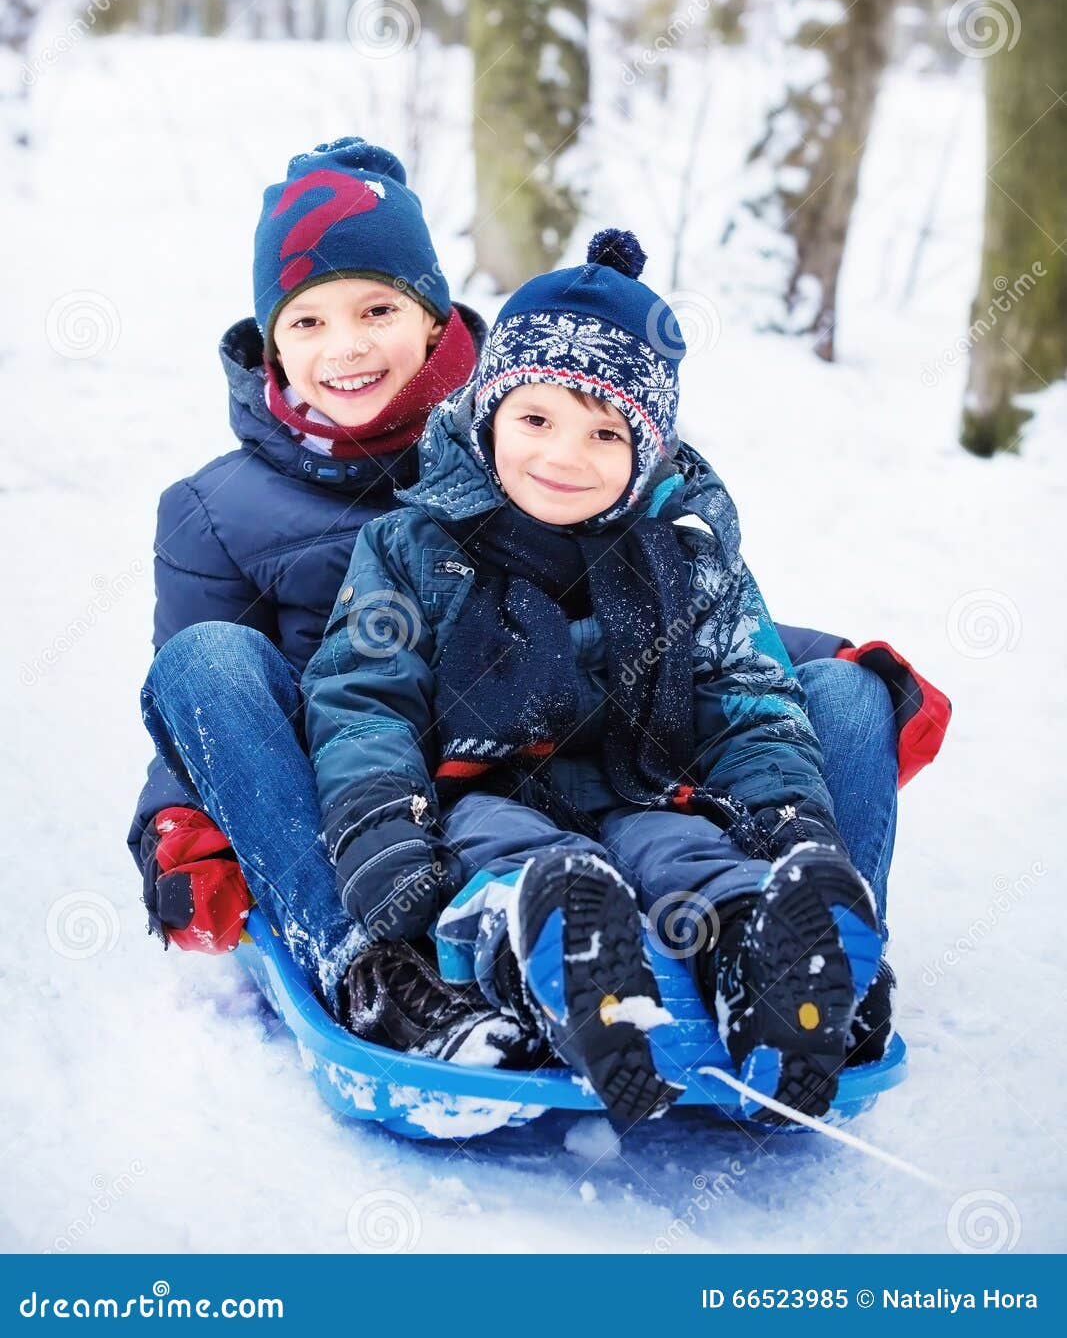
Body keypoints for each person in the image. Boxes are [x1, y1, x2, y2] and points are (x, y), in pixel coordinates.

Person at [302, 229, 951, 1130]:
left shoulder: (685, 555)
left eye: (606, 432)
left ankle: (765, 972)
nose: (565, 456)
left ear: (647, 450)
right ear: (488, 414)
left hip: (646, 789)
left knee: (692, 859)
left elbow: (747, 701)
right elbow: (361, 700)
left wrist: (789, 822)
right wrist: (382, 831)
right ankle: (563, 955)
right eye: (535, 420)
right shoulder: (412, 545)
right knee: (512, 856)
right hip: (480, 791)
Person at [130, 136, 543, 1061]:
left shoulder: (532, 447)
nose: (345, 347)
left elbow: (657, 610)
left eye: (377, 308)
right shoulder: (213, 511)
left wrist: (810, 657)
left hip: (511, 776)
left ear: (433, 318)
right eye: (306, 321)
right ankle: (376, 972)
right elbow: (200, 710)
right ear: (270, 340)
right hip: (333, 802)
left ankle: (788, 964)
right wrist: (175, 824)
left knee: (839, 695)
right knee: (202, 658)